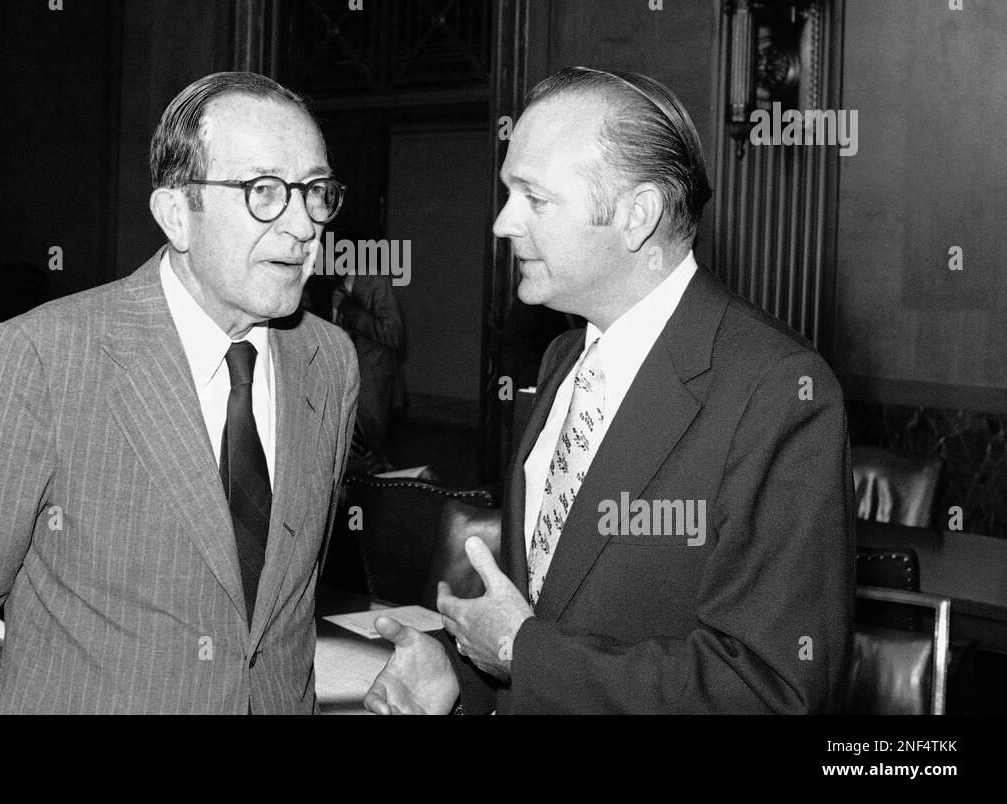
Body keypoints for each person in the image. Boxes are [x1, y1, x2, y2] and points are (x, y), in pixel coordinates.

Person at [364, 67, 853, 714]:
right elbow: (550, 606)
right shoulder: (564, 358)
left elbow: (770, 692)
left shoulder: (776, 390)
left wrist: (519, 653)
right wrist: (463, 677)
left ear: (636, 216)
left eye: (534, 199)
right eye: (508, 193)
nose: (503, 224)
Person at [0, 71, 359, 713]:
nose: (304, 225)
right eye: (265, 192)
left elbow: (280, 609)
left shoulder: (329, 362)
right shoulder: (44, 359)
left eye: (316, 192)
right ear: (176, 215)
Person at [331, 265, 403, 457]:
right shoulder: (324, 280)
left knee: (369, 461)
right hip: (337, 384)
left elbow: (393, 334)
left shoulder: (374, 280)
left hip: (369, 385)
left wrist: (349, 309)